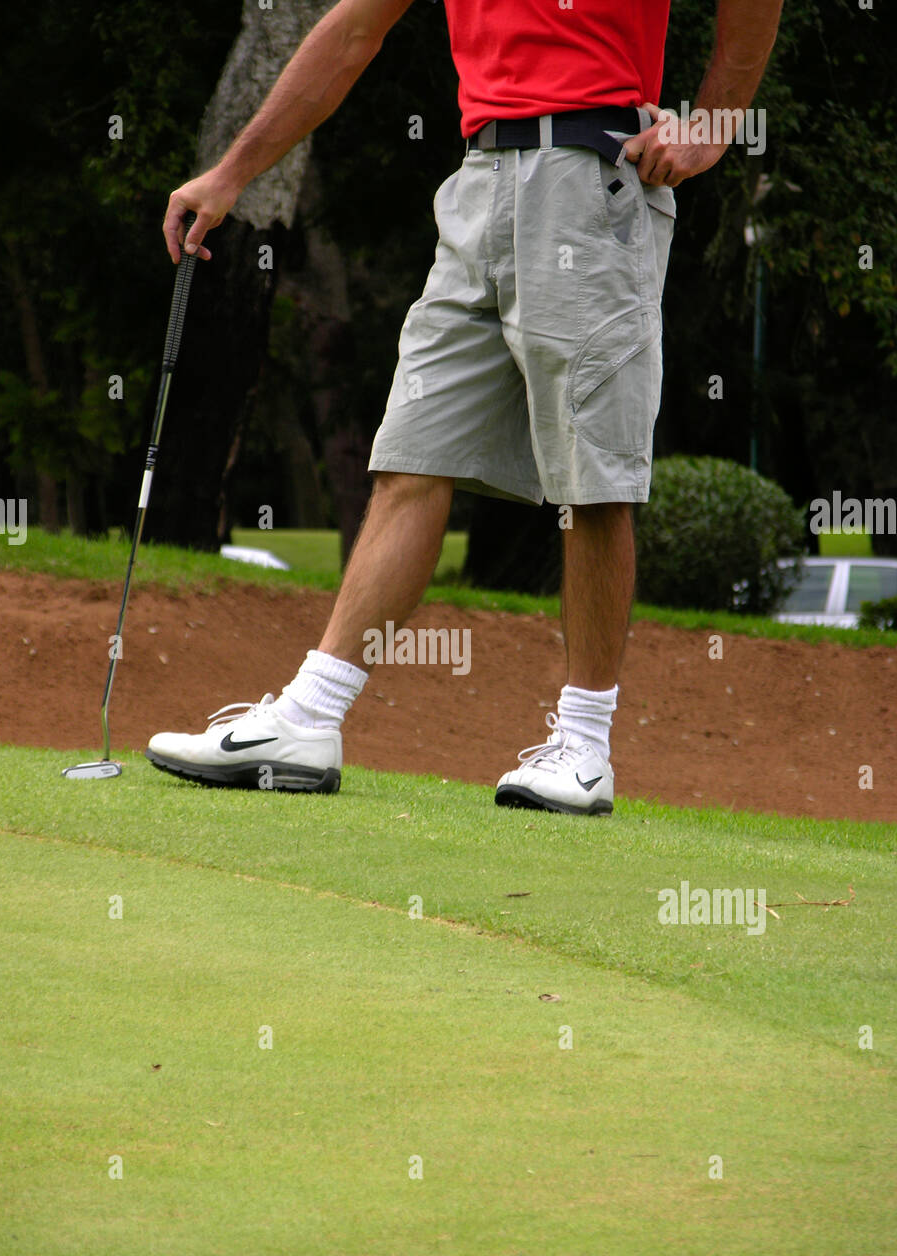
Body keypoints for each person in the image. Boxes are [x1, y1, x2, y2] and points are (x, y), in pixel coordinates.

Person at [147, 0, 783, 814]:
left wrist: (713, 126)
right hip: (479, 185)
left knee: (592, 479)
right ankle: (310, 719)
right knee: (412, 457)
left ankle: (584, 748)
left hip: (593, 179)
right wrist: (232, 173)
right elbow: (351, 33)